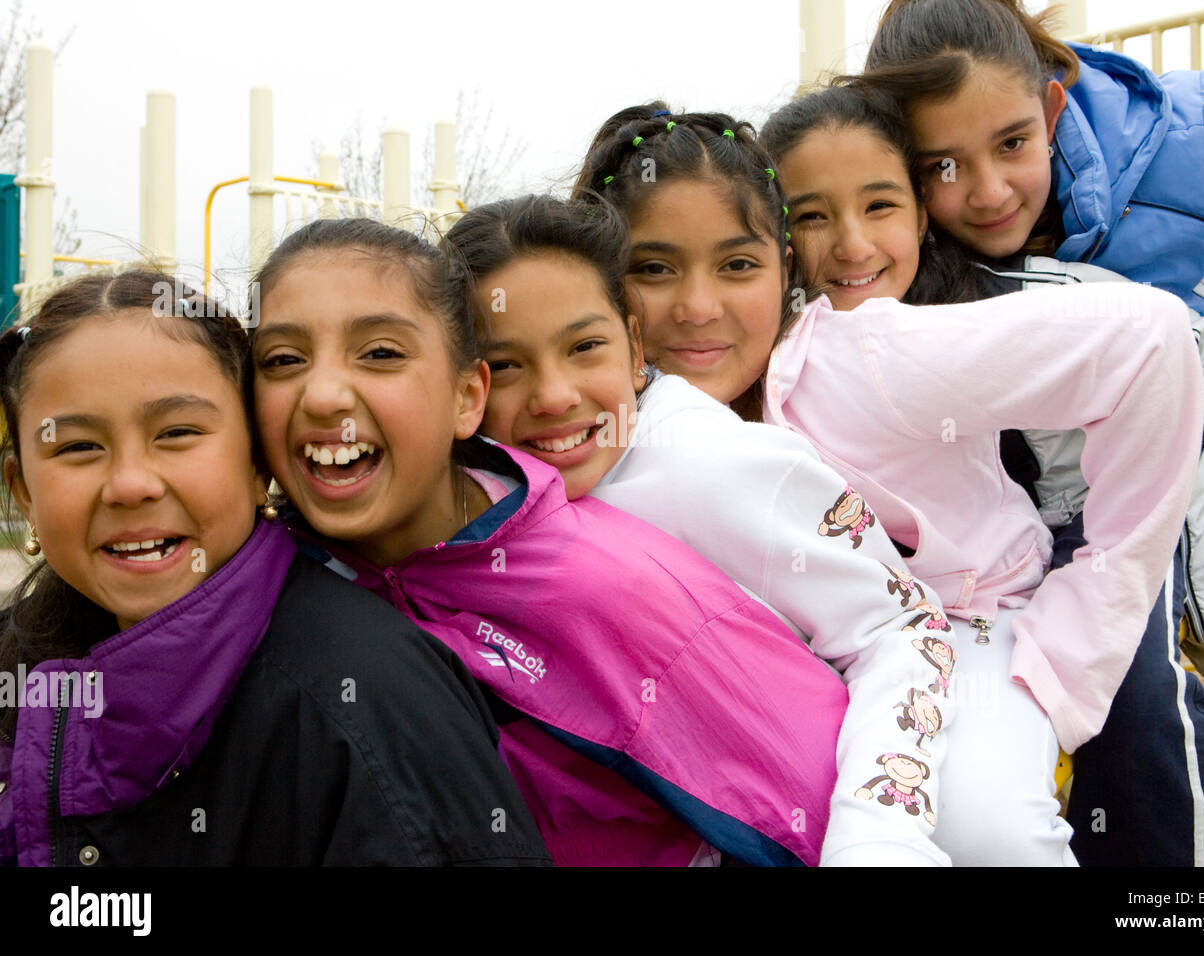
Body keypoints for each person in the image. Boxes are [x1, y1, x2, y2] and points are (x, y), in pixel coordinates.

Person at [577, 103, 1202, 865]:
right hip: (805, 668)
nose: (698, 307)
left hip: (962, 625)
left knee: (985, 832)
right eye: (653, 268)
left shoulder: (858, 359)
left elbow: (1151, 341)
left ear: (785, 268)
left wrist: (1076, 642)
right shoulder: (603, 431)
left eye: (737, 265)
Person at [250, 216, 849, 867]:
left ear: (466, 395)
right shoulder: (265, 587)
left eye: (381, 353)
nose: (325, 394)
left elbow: (805, 794)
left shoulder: (612, 585)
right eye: (284, 360)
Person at [760, 81, 1204, 865]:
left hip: (998, 610)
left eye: (879, 206)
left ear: (922, 213)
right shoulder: (786, 353)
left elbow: (1157, 340)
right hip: (877, 635)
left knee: (1092, 760)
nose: (850, 245)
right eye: (812, 217)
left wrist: (1075, 641)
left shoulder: (886, 342)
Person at [451, 193, 961, 865]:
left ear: (635, 348)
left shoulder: (714, 466)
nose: (553, 396)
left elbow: (904, 627)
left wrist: (877, 834)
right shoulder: (478, 503)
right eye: (508, 366)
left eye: (585, 347)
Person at [865, 0, 1204, 773]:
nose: (992, 191)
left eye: (1013, 143)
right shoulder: (924, 265)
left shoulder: (1194, 136)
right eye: (945, 166)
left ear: (1051, 104)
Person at [0, 270, 550, 866]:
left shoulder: (369, 704)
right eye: (78, 447)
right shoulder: (20, 660)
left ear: (257, 460)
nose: (130, 485)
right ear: (22, 490)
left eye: (178, 433)